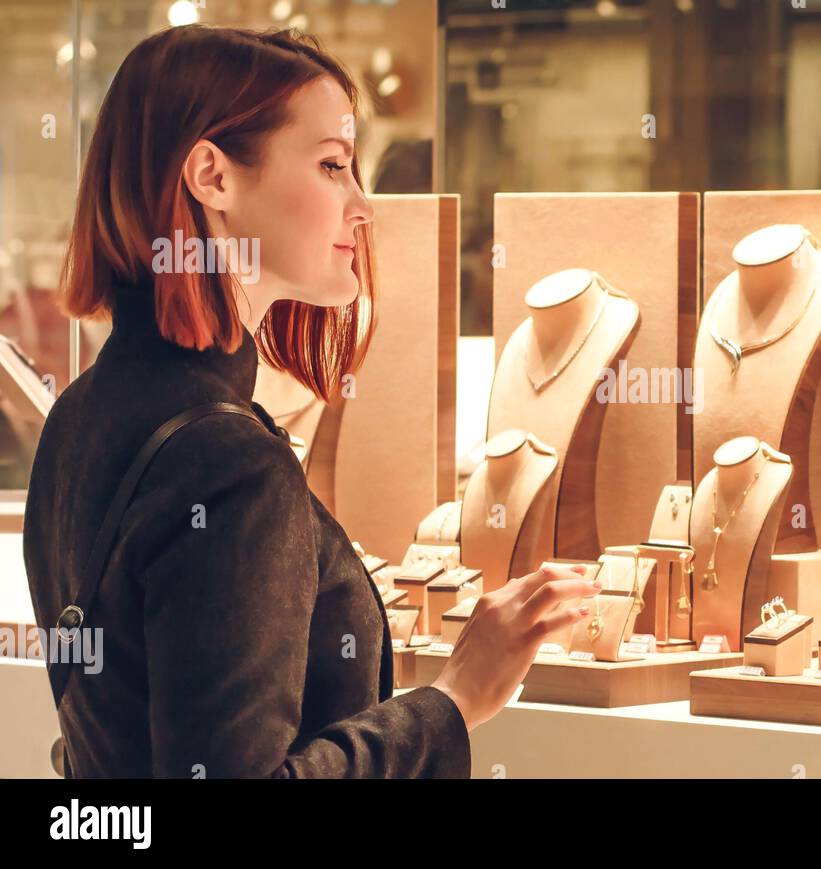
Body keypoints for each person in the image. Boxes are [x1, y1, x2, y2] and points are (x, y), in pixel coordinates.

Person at [22, 25, 598, 778]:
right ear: (212, 175)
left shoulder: (81, 416)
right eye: (332, 165)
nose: (363, 207)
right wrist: (454, 699)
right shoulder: (223, 461)